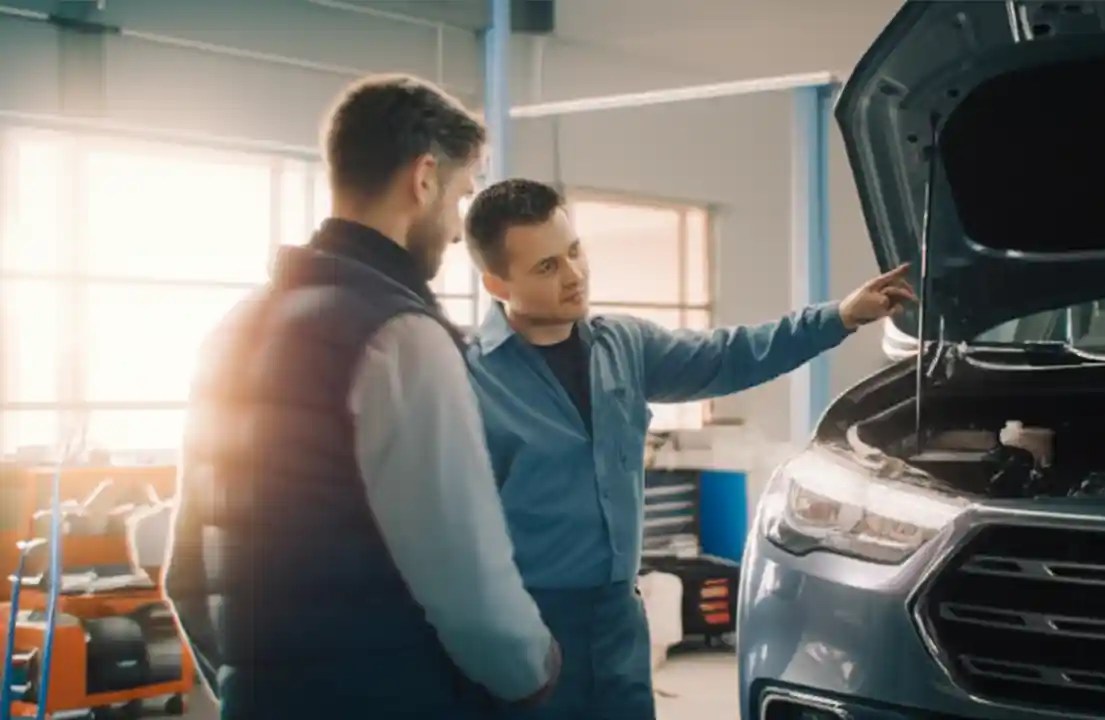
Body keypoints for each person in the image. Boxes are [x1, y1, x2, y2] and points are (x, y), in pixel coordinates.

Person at [163, 76, 560, 720]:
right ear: (424, 178)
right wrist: (535, 672)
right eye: (461, 195)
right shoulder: (398, 337)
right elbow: (469, 583)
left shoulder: (232, 330)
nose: (459, 231)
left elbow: (185, 571)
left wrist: (251, 685)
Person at [461, 178, 916, 720]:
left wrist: (840, 316)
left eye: (574, 251)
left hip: (617, 619)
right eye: (546, 267)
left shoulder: (623, 346)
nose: (574, 276)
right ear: (496, 282)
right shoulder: (468, 378)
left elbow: (731, 355)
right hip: (526, 621)